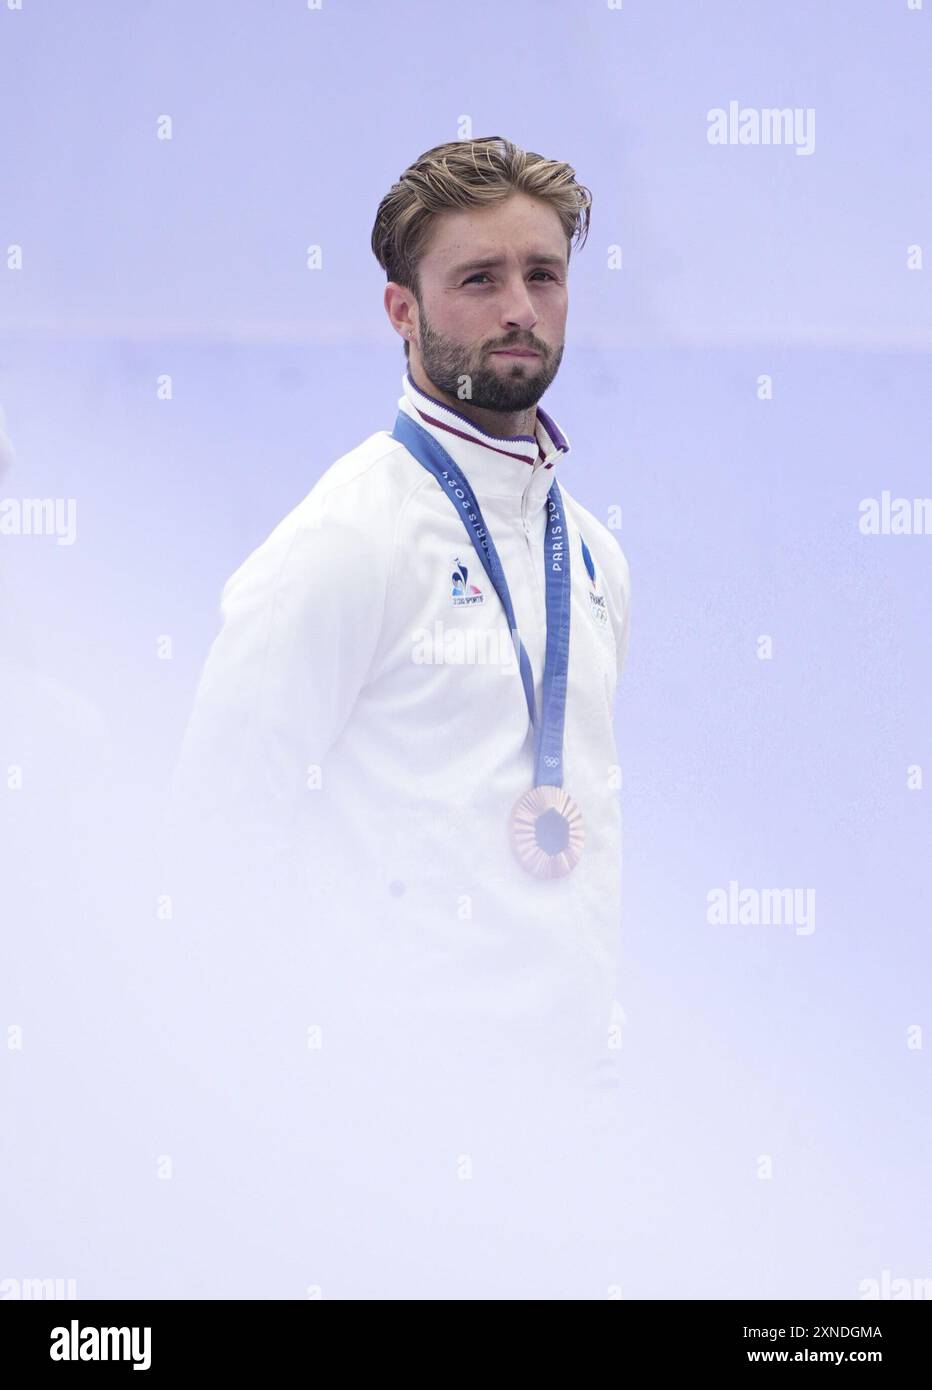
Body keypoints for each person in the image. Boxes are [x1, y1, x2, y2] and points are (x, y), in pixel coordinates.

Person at [168, 136, 633, 1296]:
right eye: (479, 279)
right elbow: (216, 836)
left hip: (568, 1137)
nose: (518, 308)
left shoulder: (597, 561)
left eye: (543, 274)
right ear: (399, 307)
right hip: (380, 1149)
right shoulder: (346, 538)